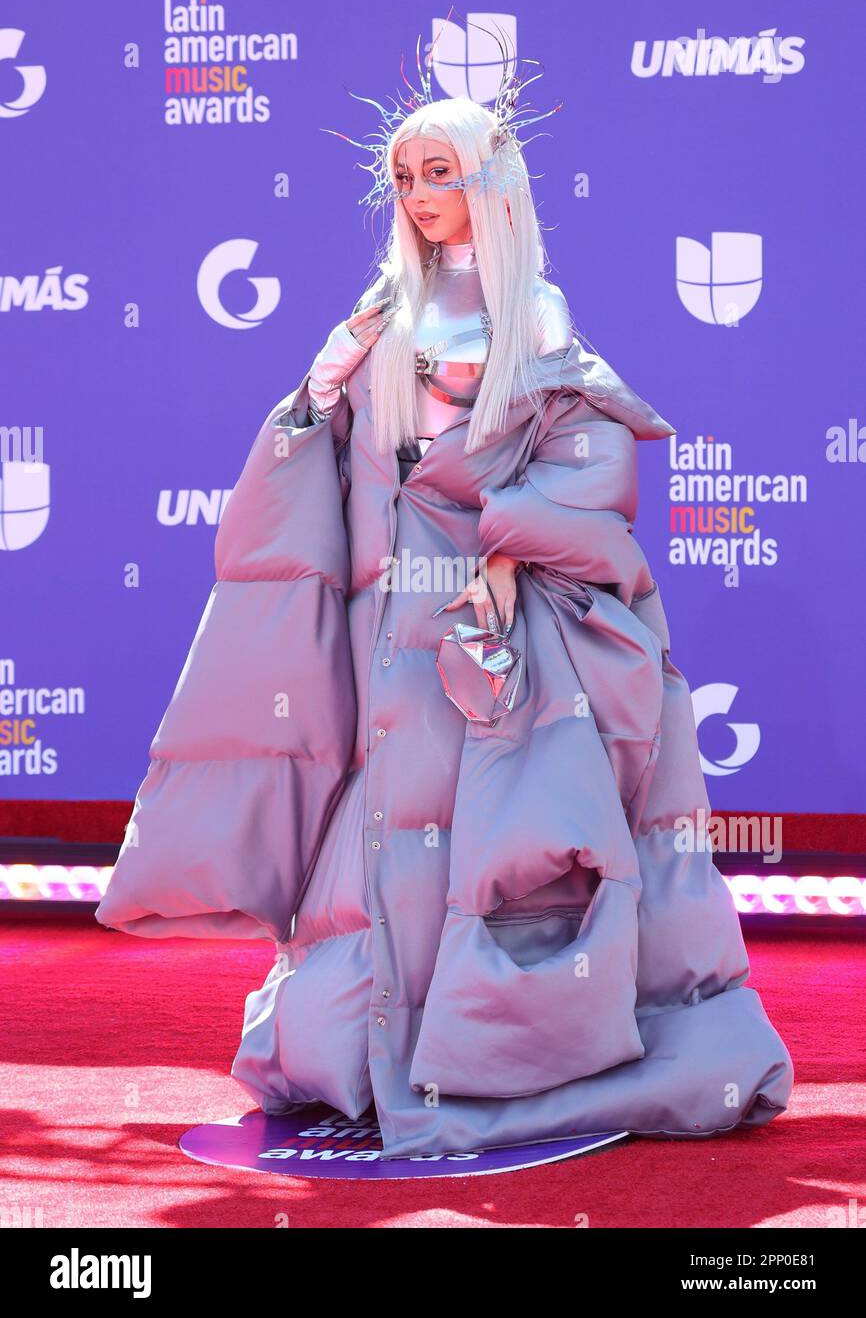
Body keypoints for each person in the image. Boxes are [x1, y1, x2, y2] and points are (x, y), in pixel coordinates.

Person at [96, 66, 793, 1161]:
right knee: (387, 819)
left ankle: (493, 1055)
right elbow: (333, 469)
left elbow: (587, 456)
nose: (421, 196)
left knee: (490, 833)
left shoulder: (535, 314)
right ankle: (378, 1057)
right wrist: (316, 396)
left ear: (488, 183)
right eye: (406, 177)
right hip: (390, 620)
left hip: (493, 624)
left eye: (441, 173)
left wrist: (508, 550)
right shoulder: (384, 313)